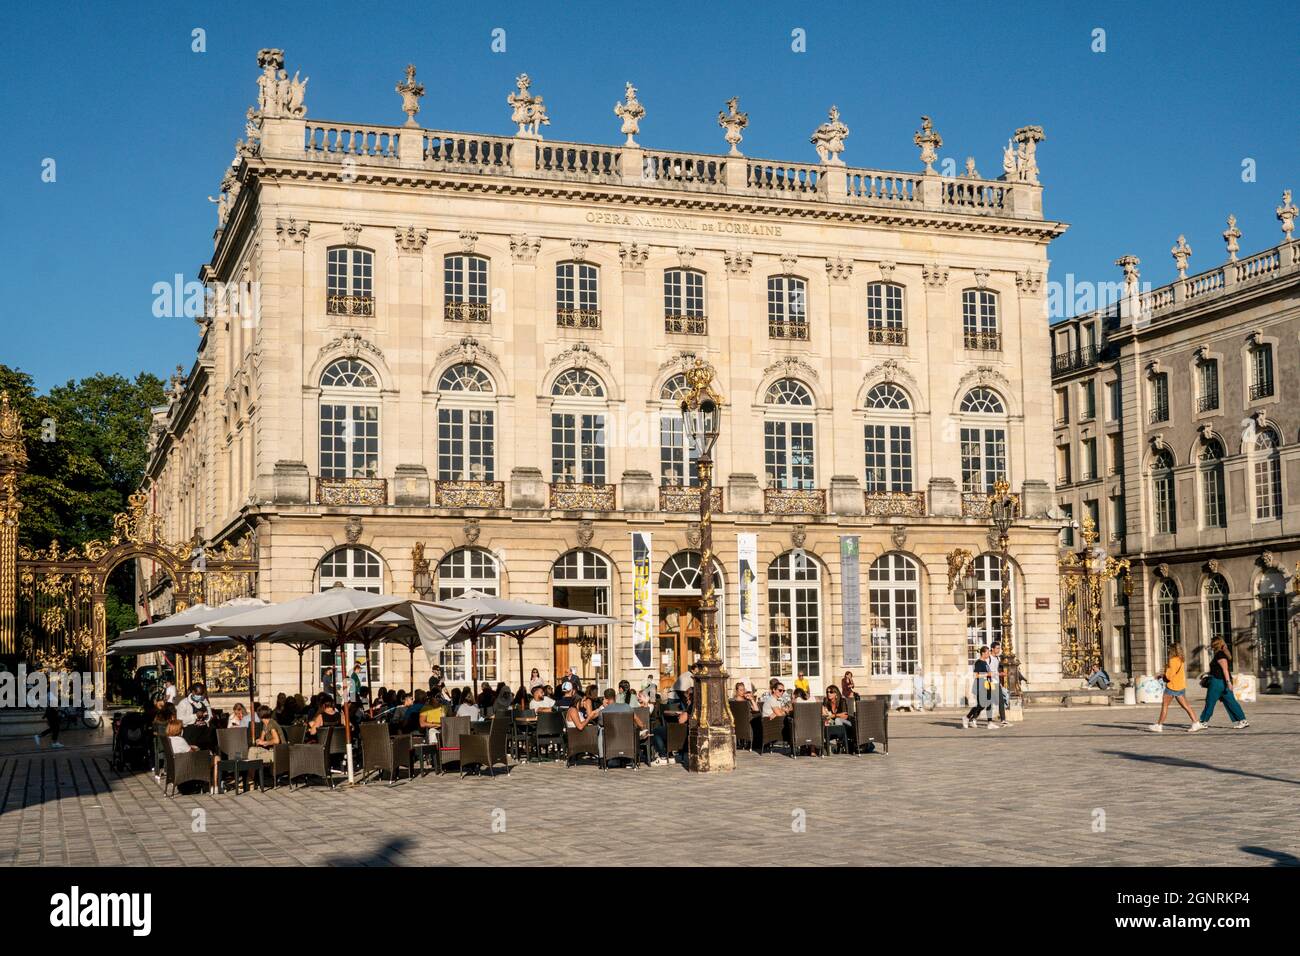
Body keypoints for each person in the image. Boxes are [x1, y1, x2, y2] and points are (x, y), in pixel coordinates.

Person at [1193, 637, 1249, 731]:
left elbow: (1225, 670)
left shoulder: (1220, 655)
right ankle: (1243, 720)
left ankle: (1203, 722)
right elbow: (1219, 669)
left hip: (1218, 682)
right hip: (1222, 682)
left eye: (1211, 643)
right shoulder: (1220, 654)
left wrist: (1228, 683)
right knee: (1230, 702)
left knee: (1210, 701)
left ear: (1215, 644)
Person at [1149, 644, 1197, 732]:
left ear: (1172, 651)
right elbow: (1175, 673)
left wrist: (1163, 674)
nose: (1168, 651)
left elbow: (1169, 676)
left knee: (1165, 706)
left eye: (1169, 650)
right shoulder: (1180, 659)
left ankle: (1159, 725)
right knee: (1185, 705)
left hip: (1172, 687)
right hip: (1180, 685)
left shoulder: (1173, 660)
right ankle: (1195, 722)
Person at [597, 687, 647, 763]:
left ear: (606, 699)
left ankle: (602, 758)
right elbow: (638, 721)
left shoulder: (603, 711)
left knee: (600, 729)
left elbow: (601, 724)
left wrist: (605, 707)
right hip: (627, 739)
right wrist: (643, 728)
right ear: (615, 697)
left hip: (611, 741)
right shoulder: (626, 706)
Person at [963, 646, 998, 729]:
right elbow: (976, 675)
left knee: (989, 703)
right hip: (980, 686)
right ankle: (967, 718)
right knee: (981, 705)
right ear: (983, 653)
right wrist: (987, 674)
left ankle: (990, 723)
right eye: (987, 653)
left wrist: (993, 675)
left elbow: (988, 673)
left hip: (988, 685)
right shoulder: (978, 662)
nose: (989, 654)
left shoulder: (985, 662)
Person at [822, 684, 852, 752]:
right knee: (826, 723)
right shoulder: (826, 701)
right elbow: (824, 714)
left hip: (846, 723)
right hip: (833, 724)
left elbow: (845, 716)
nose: (828, 694)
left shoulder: (842, 701)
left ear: (836, 693)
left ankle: (840, 743)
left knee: (838, 720)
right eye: (827, 692)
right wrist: (823, 709)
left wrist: (833, 715)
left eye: (831, 692)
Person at [986, 641, 1008, 727]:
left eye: (999, 648)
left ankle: (1003, 720)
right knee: (988, 702)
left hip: (996, 682)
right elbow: (987, 671)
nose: (999, 650)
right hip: (989, 682)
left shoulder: (998, 658)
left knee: (1001, 701)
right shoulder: (988, 658)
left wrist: (1000, 680)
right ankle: (989, 721)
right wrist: (999, 674)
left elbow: (996, 670)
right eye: (997, 648)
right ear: (992, 649)